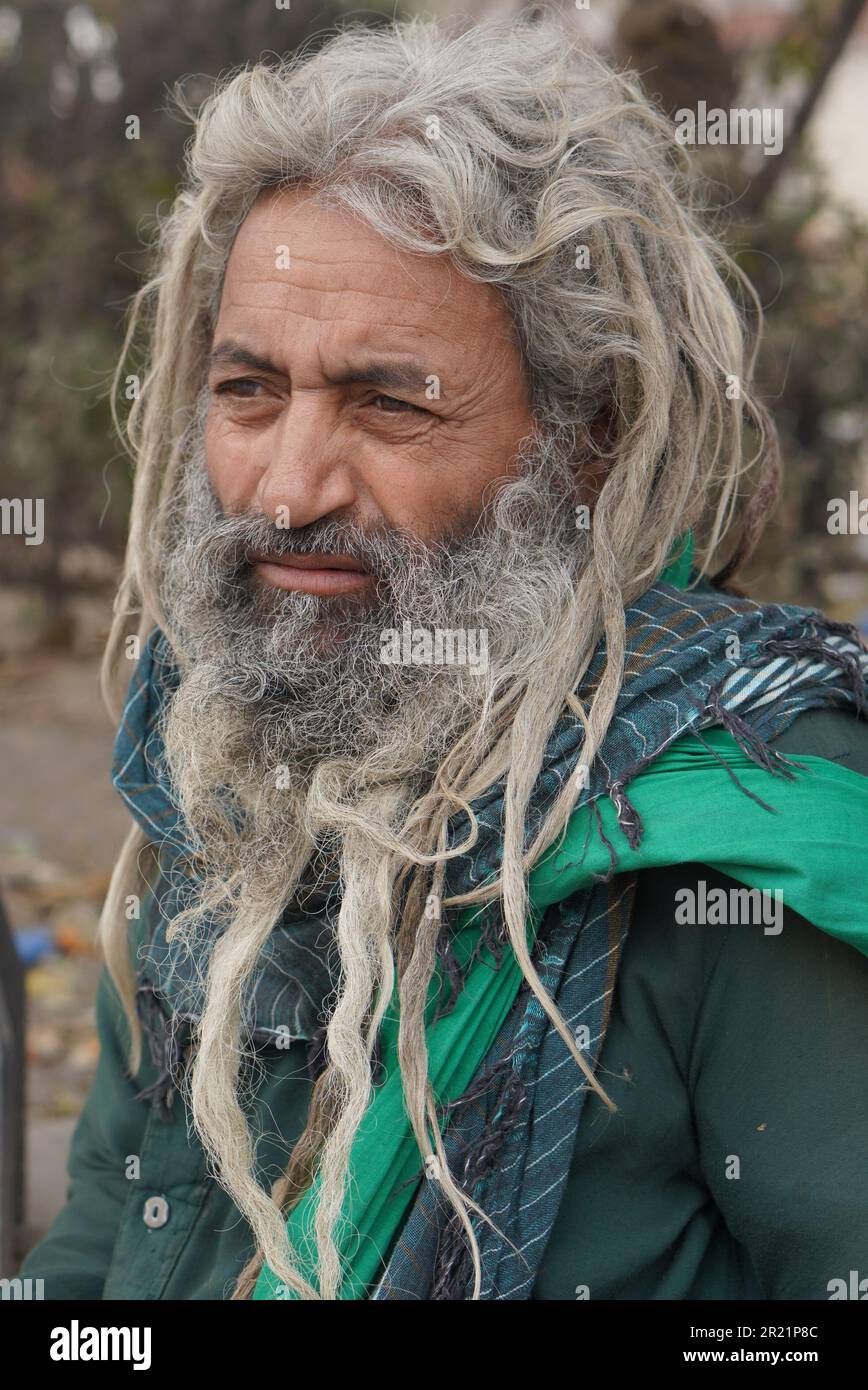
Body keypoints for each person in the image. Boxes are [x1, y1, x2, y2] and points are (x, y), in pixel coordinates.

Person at [20, 9, 868, 1301]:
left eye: (387, 400)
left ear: (584, 435)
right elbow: (104, 1244)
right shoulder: (213, 755)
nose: (288, 486)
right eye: (249, 390)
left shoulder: (733, 841)